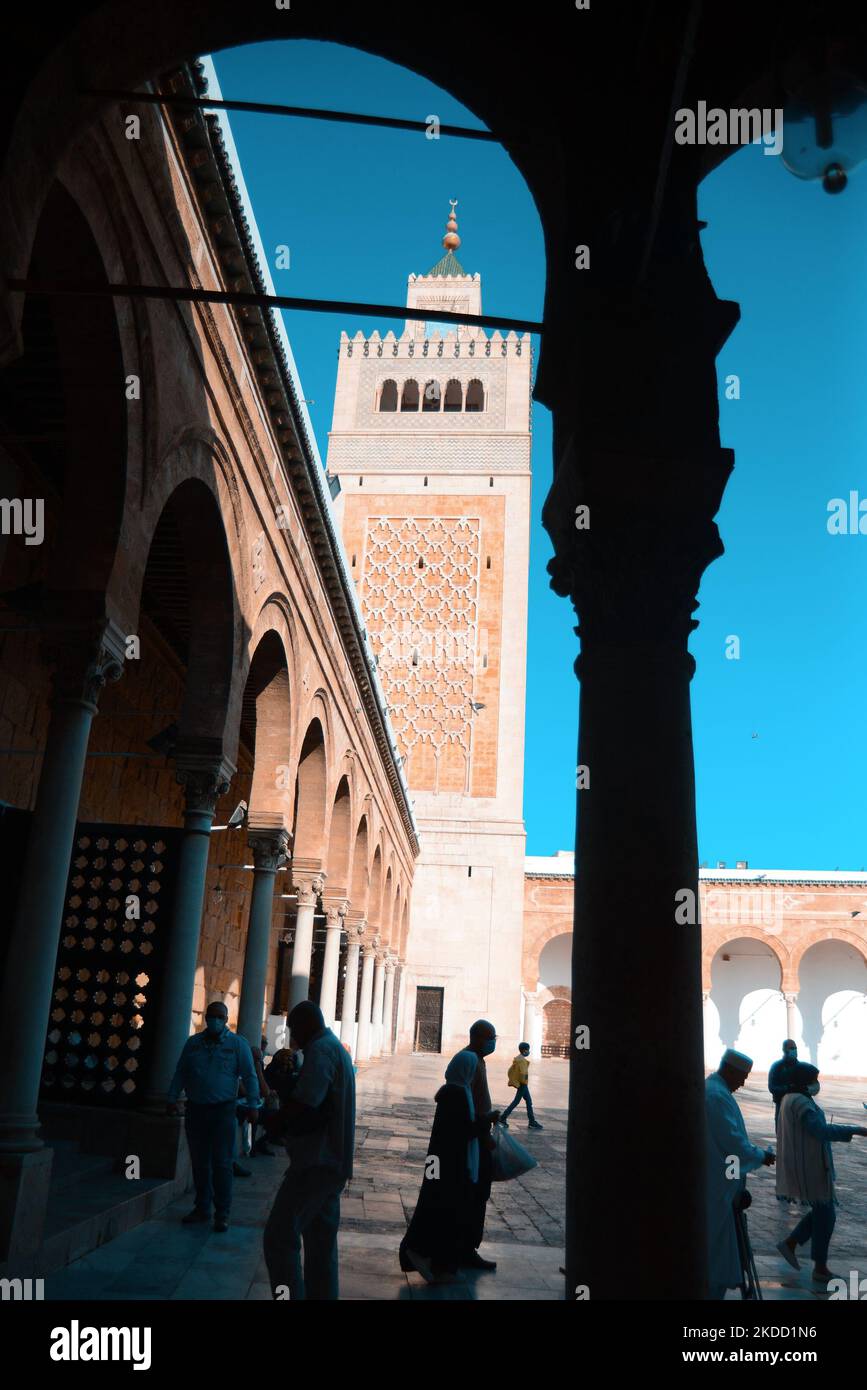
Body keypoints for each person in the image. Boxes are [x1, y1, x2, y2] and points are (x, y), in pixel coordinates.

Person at [263, 1000, 355, 1301]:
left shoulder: (321, 1051)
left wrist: (276, 1120)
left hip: (315, 1163)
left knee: (279, 1237)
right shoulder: (334, 1049)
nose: (291, 1038)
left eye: (293, 1030)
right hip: (332, 1163)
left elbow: (307, 1102)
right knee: (320, 1243)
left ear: (304, 1025)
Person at [167, 1000, 260, 1233]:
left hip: (223, 1110)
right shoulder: (193, 1044)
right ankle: (202, 1207)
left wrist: (253, 1104)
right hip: (196, 1109)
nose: (214, 1020)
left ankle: (222, 1213)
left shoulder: (238, 1045)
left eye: (219, 1016)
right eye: (211, 1016)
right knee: (199, 1162)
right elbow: (181, 1072)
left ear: (226, 1019)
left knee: (222, 1163)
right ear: (206, 1017)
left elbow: (249, 1076)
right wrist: (171, 1098)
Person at [399, 1052, 491, 1281]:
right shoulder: (457, 1094)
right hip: (449, 1165)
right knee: (444, 1212)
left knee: (438, 1208)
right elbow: (461, 1132)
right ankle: (428, 1257)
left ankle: (438, 1262)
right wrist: (485, 1123)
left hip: (443, 1163)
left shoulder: (455, 1090)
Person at [775, 1061, 867, 1285]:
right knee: (826, 1214)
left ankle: (792, 1243)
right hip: (811, 1167)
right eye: (814, 1080)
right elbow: (820, 1131)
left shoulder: (790, 1099)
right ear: (805, 1081)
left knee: (822, 1212)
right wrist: (855, 1129)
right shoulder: (801, 1103)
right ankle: (819, 1267)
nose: (816, 1084)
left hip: (806, 1164)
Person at [705, 1048, 775, 1299]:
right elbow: (733, 1142)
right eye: (742, 1077)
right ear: (730, 1070)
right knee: (716, 1250)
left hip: (720, 1183)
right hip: (717, 1187)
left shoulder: (716, 1092)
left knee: (721, 1248)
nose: (743, 1083)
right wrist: (761, 1156)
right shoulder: (716, 1097)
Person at [448, 1019, 501, 1271]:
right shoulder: (469, 1060)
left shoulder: (478, 1060)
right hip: (474, 1136)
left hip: (480, 1130)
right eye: (490, 1037)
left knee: (479, 1193)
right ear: (477, 1036)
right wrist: (483, 1128)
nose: (493, 1042)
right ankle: (465, 1249)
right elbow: (465, 1107)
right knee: (474, 1193)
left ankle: (468, 1247)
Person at [500, 1042, 544, 1130]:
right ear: (524, 1051)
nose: (529, 1051)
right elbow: (523, 1073)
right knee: (517, 1102)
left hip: (521, 1084)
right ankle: (503, 1117)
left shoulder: (518, 1059)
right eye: (528, 1050)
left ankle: (531, 1121)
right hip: (523, 1084)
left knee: (528, 1101)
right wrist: (524, 1082)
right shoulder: (522, 1061)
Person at [768, 1040, 799, 1123]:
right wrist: (788, 1088)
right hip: (781, 1105)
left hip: (797, 1106)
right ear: (784, 1050)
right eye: (792, 1048)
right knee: (781, 1132)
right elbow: (772, 1087)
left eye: (795, 1048)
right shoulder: (776, 1067)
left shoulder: (801, 1067)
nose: (795, 1050)